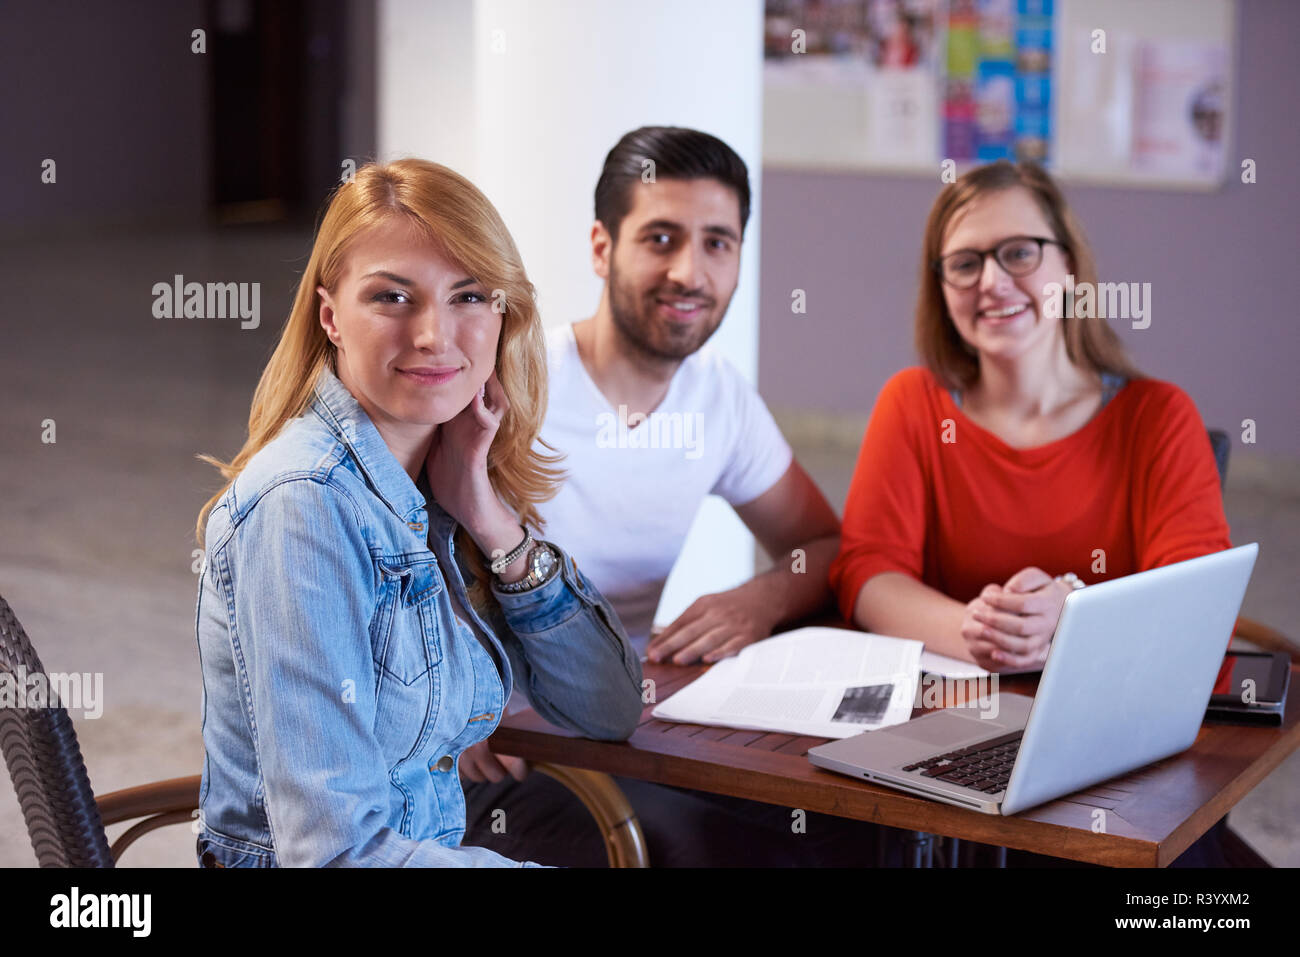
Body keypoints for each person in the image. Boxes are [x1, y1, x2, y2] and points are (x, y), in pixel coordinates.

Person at [461, 127, 896, 868]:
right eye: (660, 238)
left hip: (620, 723)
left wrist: (759, 599)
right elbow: (398, 558)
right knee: (697, 850)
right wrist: (452, 705)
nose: (690, 272)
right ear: (602, 248)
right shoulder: (513, 383)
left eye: (717, 243)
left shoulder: (718, 396)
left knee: (847, 825)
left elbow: (826, 547)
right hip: (493, 752)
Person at [192, 158, 643, 868]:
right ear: (331, 317)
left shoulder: (436, 484)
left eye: (469, 296)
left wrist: (488, 518)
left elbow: (607, 708)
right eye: (393, 296)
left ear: (503, 315)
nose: (434, 333)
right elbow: (336, 855)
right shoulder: (304, 504)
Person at [829, 159, 1238, 866]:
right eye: (965, 263)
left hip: (1117, 749)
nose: (991, 281)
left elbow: (1196, 604)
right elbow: (867, 568)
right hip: (949, 748)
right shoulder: (912, 404)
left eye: (1018, 252)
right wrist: (982, 630)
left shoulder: (1158, 416)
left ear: (1069, 267)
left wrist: (1069, 621)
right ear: (941, 287)